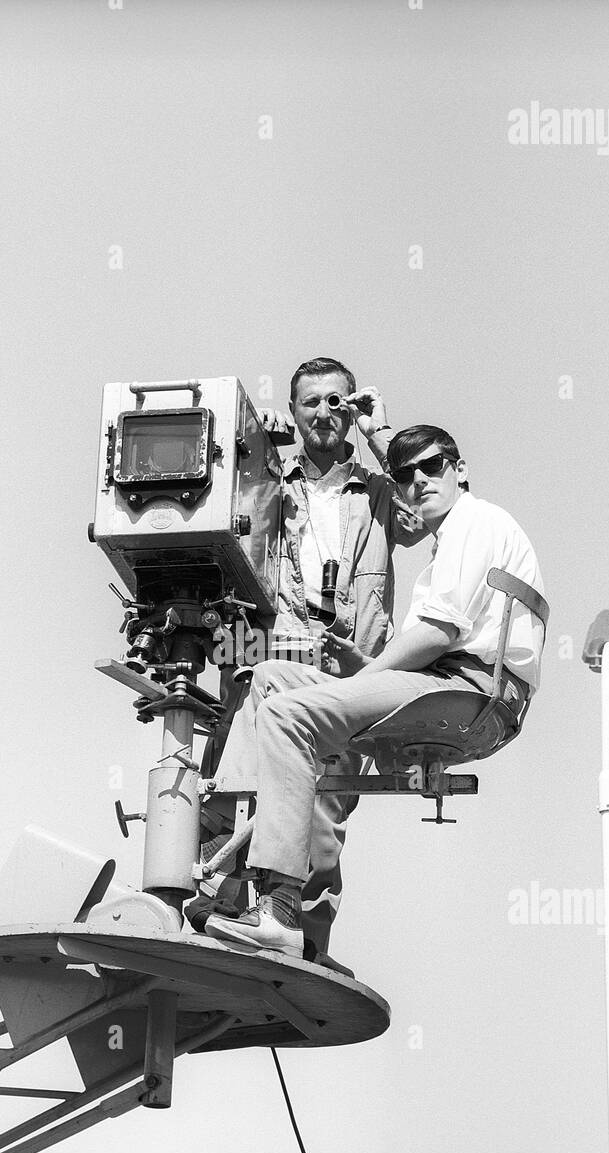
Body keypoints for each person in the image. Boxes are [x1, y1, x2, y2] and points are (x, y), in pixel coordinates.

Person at [205, 424, 545, 960]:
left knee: (289, 717)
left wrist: (364, 681)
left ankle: (278, 909)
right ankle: (220, 855)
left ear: (460, 470)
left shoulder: (474, 522)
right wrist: (366, 669)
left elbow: (439, 633)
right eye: (405, 476)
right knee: (270, 677)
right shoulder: (458, 533)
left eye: (433, 467)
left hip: (467, 692)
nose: (418, 482)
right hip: (443, 682)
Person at [204, 357, 424, 970]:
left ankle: (309, 941)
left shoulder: (379, 491)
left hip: (352, 668)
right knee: (250, 782)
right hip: (280, 655)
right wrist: (254, 443)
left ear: (352, 410)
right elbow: (230, 508)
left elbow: (421, 516)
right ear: (295, 410)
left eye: (337, 402)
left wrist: (383, 435)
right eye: (310, 403)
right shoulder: (276, 480)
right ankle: (225, 892)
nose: (323, 414)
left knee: (325, 807)